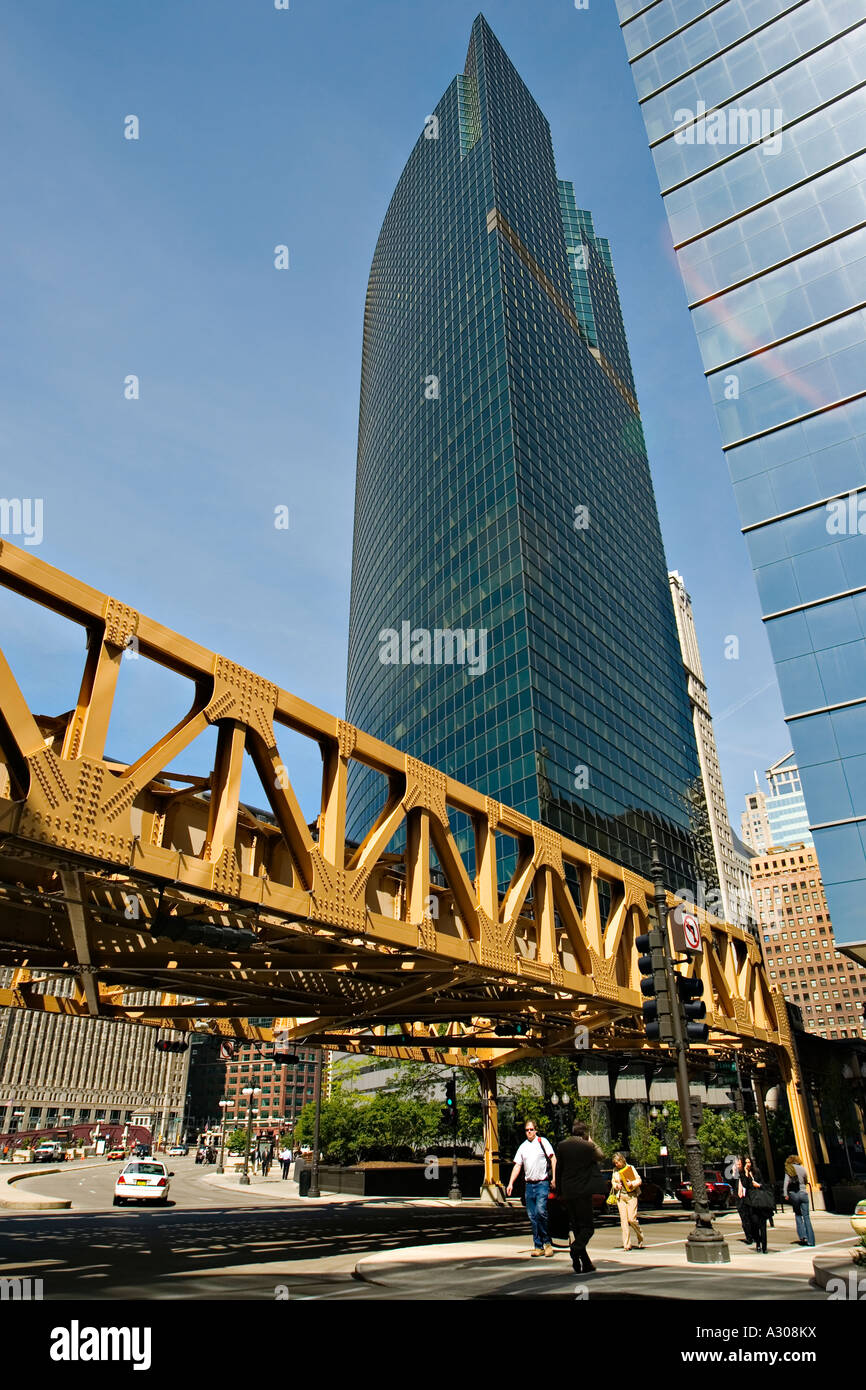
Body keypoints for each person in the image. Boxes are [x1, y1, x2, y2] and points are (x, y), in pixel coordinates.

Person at [555, 1121, 606, 1275]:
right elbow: (601, 1156)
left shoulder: (562, 1146)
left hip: (568, 1192)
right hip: (583, 1192)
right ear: (584, 1133)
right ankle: (576, 1249)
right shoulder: (587, 1147)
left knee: (577, 1228)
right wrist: (591, 1141)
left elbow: (559, 1169)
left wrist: (559, 1191)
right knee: (588, 1228)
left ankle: (584, 1263)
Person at [506, 1120, 557, 1257]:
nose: (529, 1132)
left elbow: (553, 1159)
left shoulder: (543, 1142)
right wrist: (511, 1183)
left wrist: (554, 1178)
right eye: (527, 1130)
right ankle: (538, 1245)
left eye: (531, 1129)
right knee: (533, 1216)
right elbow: (517, 1166)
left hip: (542, 1183)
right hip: (529, 1185)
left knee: (541, 1212)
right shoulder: (523, 1147)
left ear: (536, 1130)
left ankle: (547, 1243)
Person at [611, 1152, 645, 1250]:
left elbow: (639, 1180)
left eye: (617, 1162)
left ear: (622, 1160)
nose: (616, 1165)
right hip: (621, 1197)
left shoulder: (630, 1168)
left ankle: (640, 1236)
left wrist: (632, 1184)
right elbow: (613, 1182)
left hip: (631, 1196)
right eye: (615, 1163)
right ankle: (626, 1244)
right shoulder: (615, 1170)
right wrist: (617, 1186)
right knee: (624, 1221)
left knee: (631, 1219)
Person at [783, 1153, 816, 1247]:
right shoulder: (802, 1168)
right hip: (803, 1193)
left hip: (794, 1194)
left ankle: (803, 1236)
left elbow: (786, 1182)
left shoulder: (789, 1169)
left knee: (798, 1215)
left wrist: (785, 1193)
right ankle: (811, 1240)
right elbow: (806, 1180)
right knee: (807, 1217)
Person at [742, 1157, 773, 1253]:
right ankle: (758, 1243)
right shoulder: (743, 1174)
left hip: (760, 1200)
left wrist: (758, 1185)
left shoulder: (757, 1172)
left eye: (749, 1162)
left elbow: (764, 1185)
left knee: (763, 1225)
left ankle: (764, 1247)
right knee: (755, 1224)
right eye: (746, 1162)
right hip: (751, 1202)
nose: (748, 1164)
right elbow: (745, 1185)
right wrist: (746, 1174)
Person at [733, 1155, 754, 1245]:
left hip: (748, 1198)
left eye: (739, 1164)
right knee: (744, 1219)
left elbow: (747, 1184)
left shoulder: (747, 1173)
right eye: (736, 1164)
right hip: (740, 1199)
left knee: (751, 1218)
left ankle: (754, 1236)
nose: (738, 1166)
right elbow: (731, 1183)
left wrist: (746, 1172)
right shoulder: (736, 1175)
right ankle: (748, 1237)